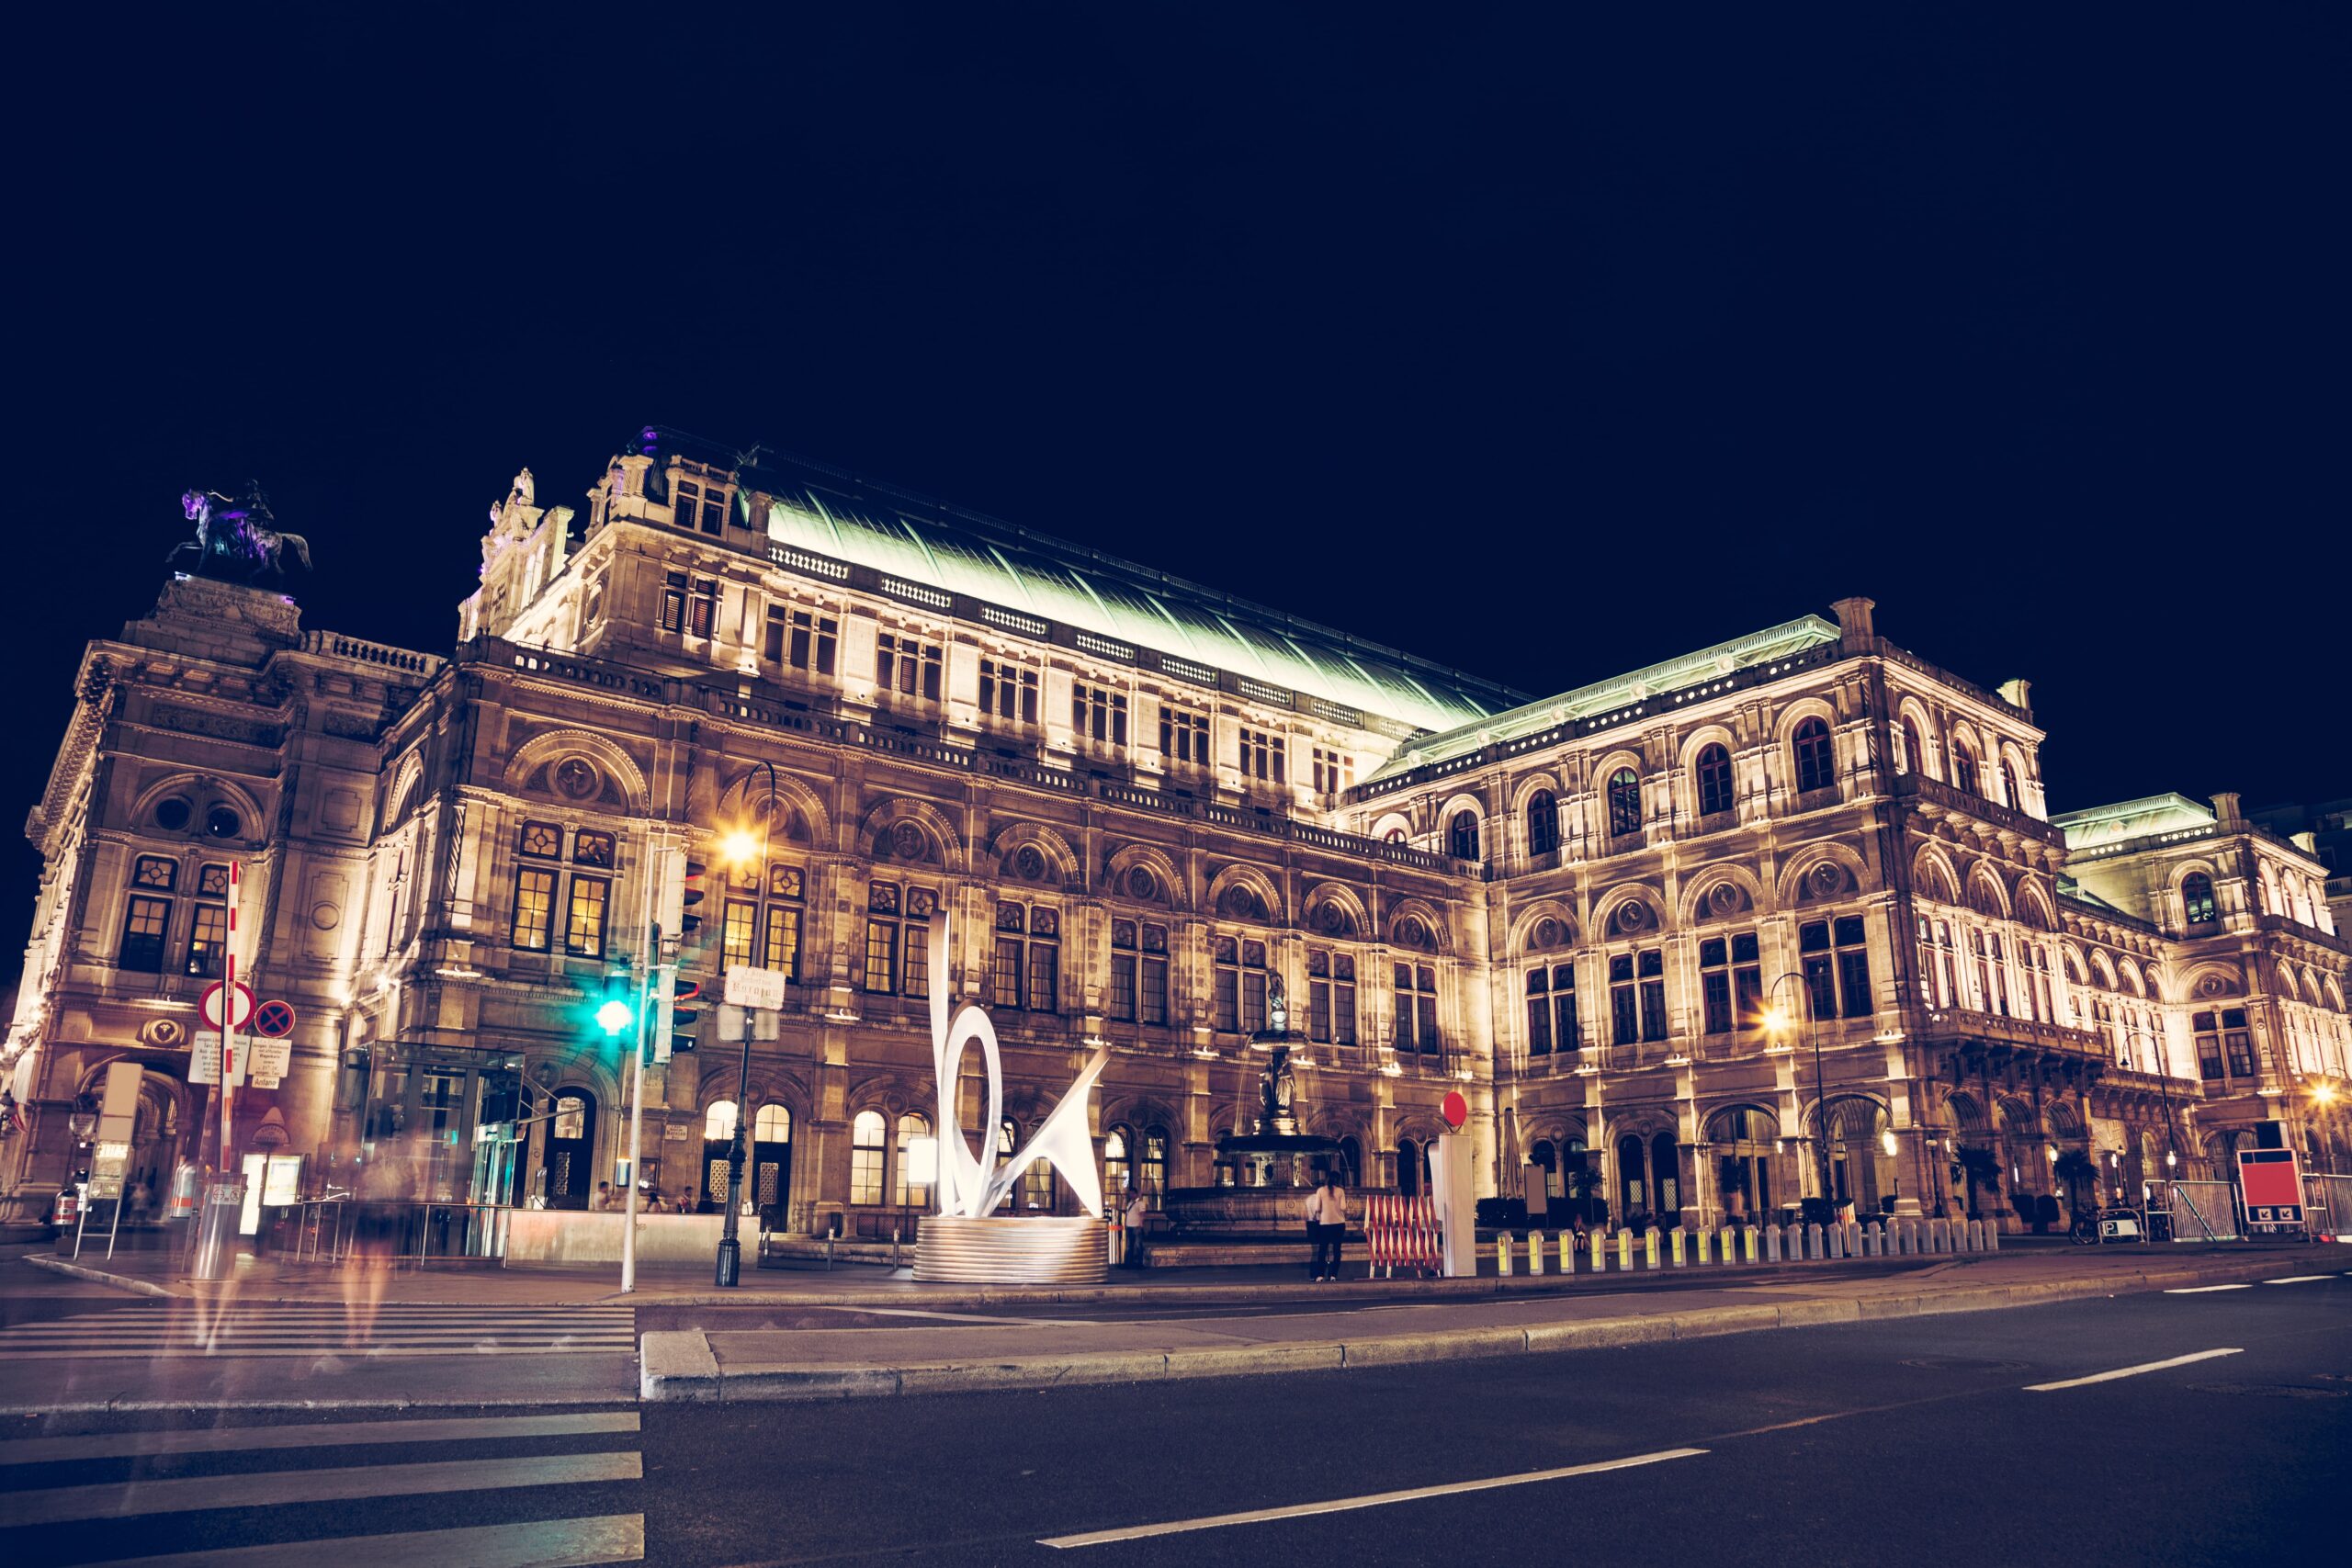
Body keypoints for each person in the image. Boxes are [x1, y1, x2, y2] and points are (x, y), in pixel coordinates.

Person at [1312, 1168, 1348, 1281]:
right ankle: (1333, 1275)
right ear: (1338, 1180)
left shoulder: (1320, 1191)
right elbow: (1343, 1207)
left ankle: (1320, 1275)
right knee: (1337, 1250)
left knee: (1322, 1250)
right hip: (1339, 1224)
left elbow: (1317, 1208)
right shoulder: (1341, 1191)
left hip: (1325, 1224)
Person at [1124, 1188, 1150, 1269]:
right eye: (1130, 1194)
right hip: (1129, 1226)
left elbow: (1142, 1214)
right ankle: (1129, 1263)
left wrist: (1141, 1223)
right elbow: (1127, 1214)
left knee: (1138, 1245)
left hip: (1136, 1226)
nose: (1131, 1195)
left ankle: (1139, 1263)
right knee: (1129, 1245)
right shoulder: (1130, 1203)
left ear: (1136, 1194)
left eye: (1132, 1193)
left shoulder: (1140, 1203)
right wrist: (1125, 1224)